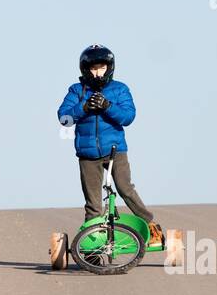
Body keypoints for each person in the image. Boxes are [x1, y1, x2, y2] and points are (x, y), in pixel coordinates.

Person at [57, 44, 163, 246]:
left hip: (115, 151)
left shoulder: (119, 89)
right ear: (85, 69)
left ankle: (150, 226)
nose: (98, 73)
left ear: (109, 68)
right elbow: (64, 118)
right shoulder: (77, 90)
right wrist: (84, 107)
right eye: (93, 68)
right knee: (93, 203)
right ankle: (92, 245)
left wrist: (107, 106)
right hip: (87, 154)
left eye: (102, 68)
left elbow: (128, 117)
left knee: (125, 189)